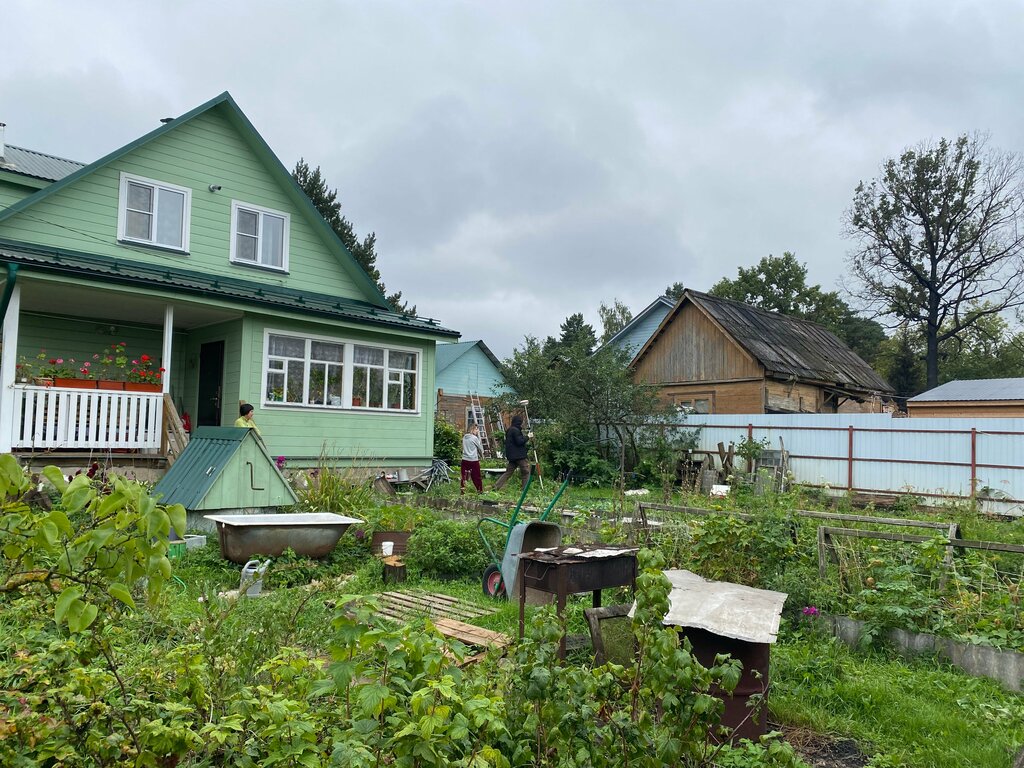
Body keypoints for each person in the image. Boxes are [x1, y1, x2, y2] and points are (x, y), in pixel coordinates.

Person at [494, 414, 531, 490]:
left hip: (512, 456)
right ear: (519, 422)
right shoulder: (515, 430)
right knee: (526, 472)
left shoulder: (510, 430)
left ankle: (496, 486)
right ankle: (525, 489)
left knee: (508, 472)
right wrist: (528, 437)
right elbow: (519, 441)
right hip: (519, 456)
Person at [460, 423, 484, 494]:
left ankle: (463, 492)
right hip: (473, 460)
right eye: (476, 429)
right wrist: (482, 455)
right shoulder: (474, 438)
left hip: (464, 459)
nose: (477, 431)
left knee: (464, 476)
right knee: (476, 476)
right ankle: (479, 491)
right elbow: (480, 449)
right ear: (472, 429)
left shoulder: (464, 437)